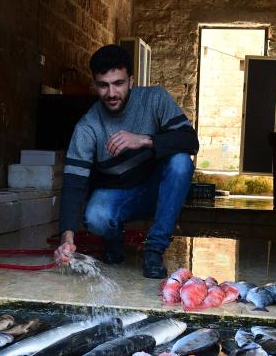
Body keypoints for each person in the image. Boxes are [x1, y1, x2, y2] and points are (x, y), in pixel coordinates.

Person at [54, 44, 198, 279]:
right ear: (94, 85)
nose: (111, 93)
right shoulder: (87, 127)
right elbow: (73, 184)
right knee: (96, 217)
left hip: (156, 190)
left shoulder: (155, 99)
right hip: (117, 194)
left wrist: (144, 140)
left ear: (131, 81)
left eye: (118, 83)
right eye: (103, 85)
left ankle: (154, 250)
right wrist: (67, 239)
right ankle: (113, 240)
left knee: (181, 162)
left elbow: (190, 141)